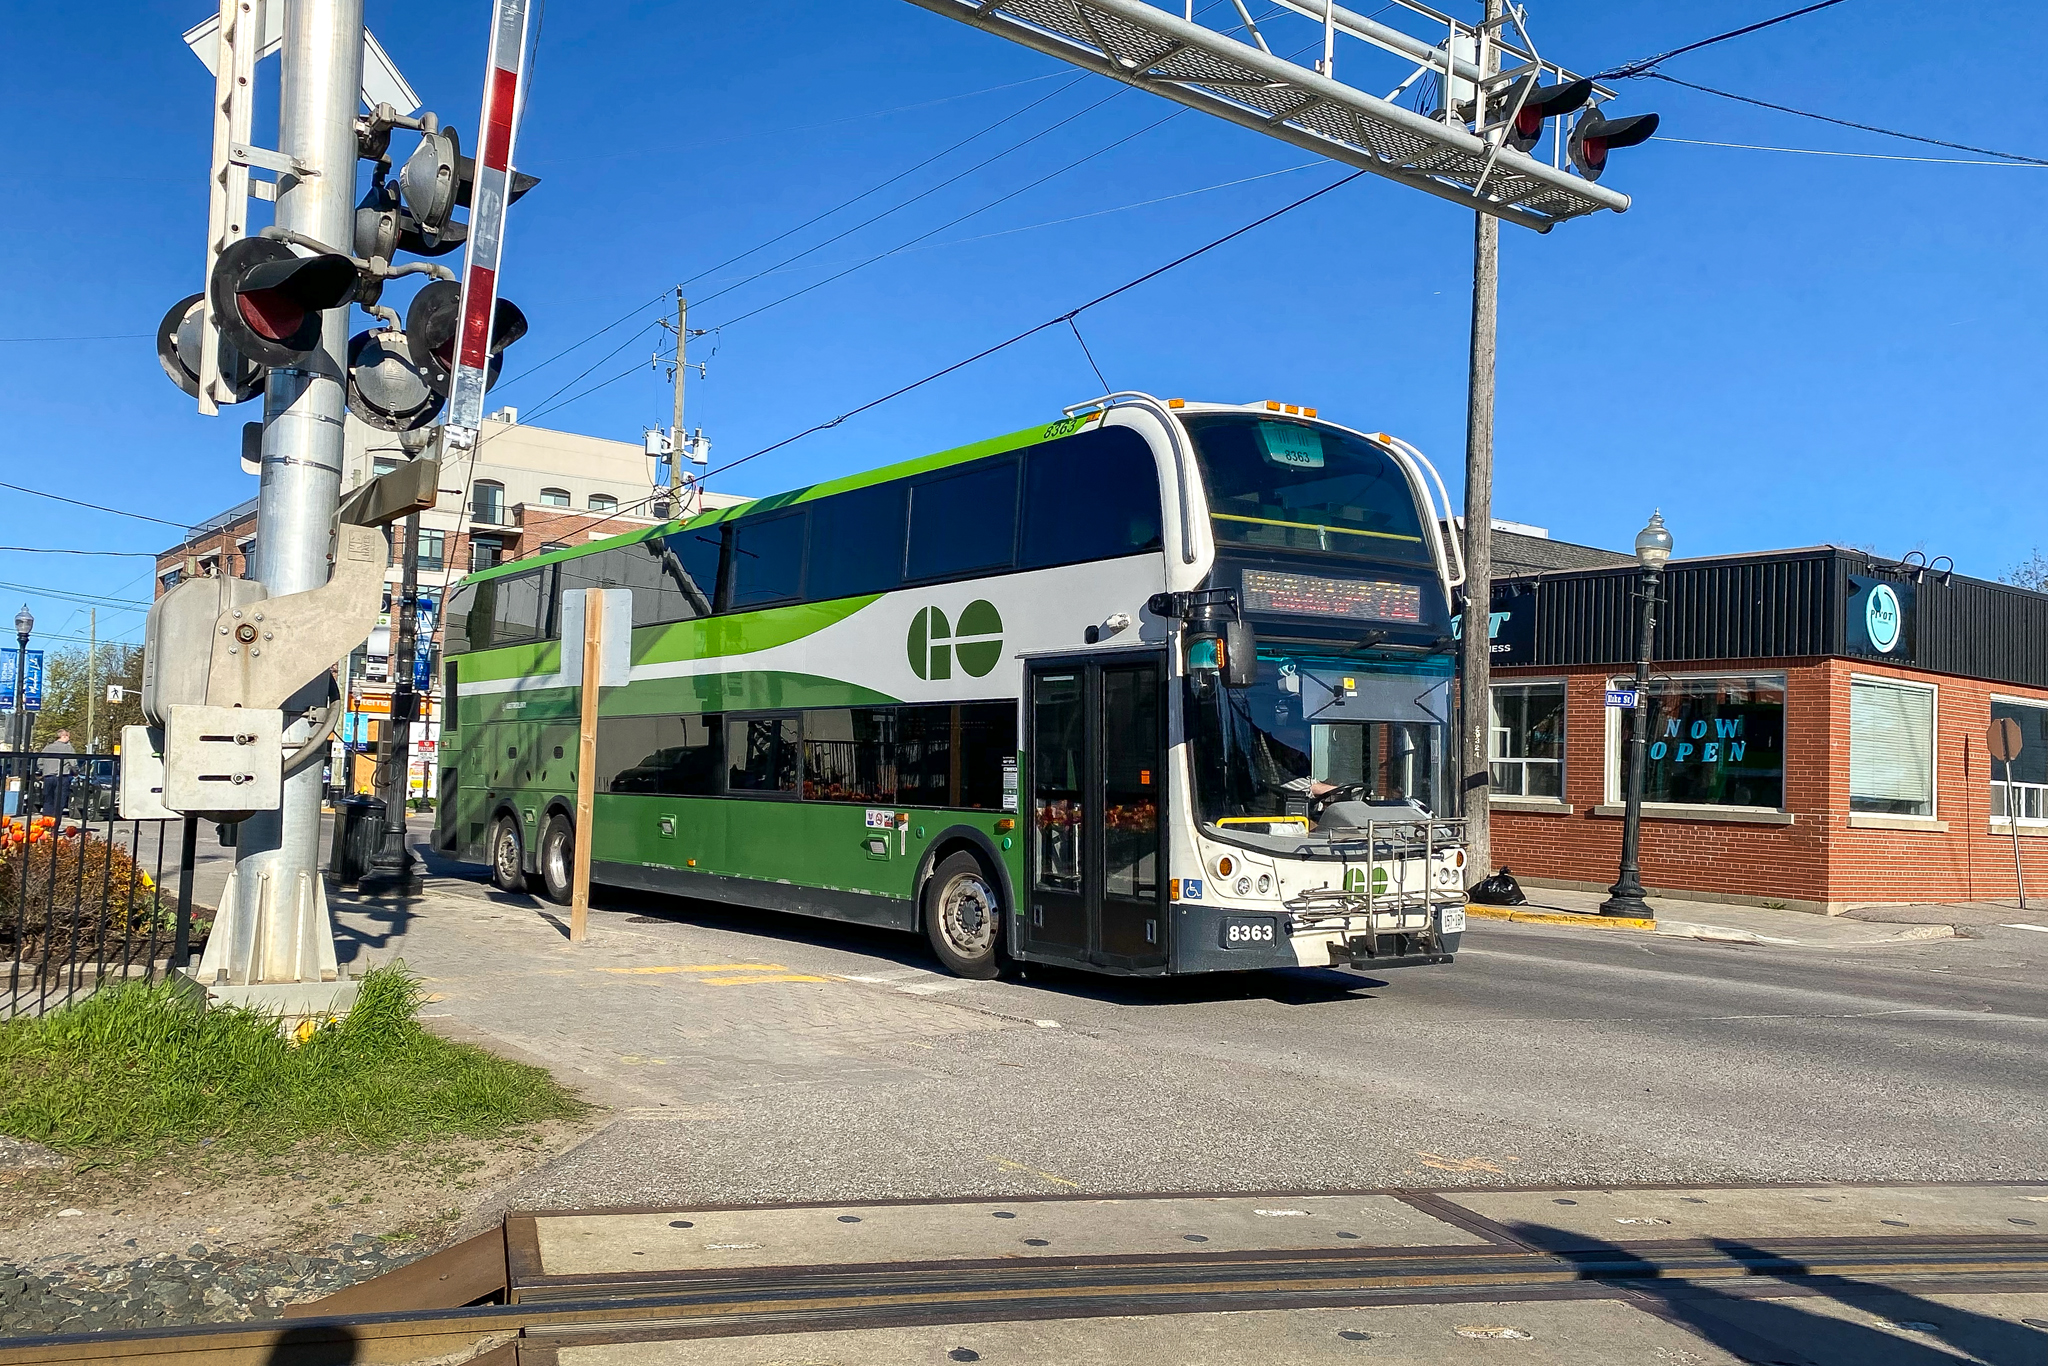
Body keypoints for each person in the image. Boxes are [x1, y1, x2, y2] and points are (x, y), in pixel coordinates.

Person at [40, 728, 75, 818]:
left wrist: (45, 770)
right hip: (62, 777)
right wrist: (75, 772)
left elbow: (40, 762)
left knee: (48, 801)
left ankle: (47, 824)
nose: (69, 739)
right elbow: (73, 763)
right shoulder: (68, 748)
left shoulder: (47, 747)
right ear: (64, 736)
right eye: (68, 737)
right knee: (59, 803)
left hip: (48, 776)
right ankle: (55, 826)